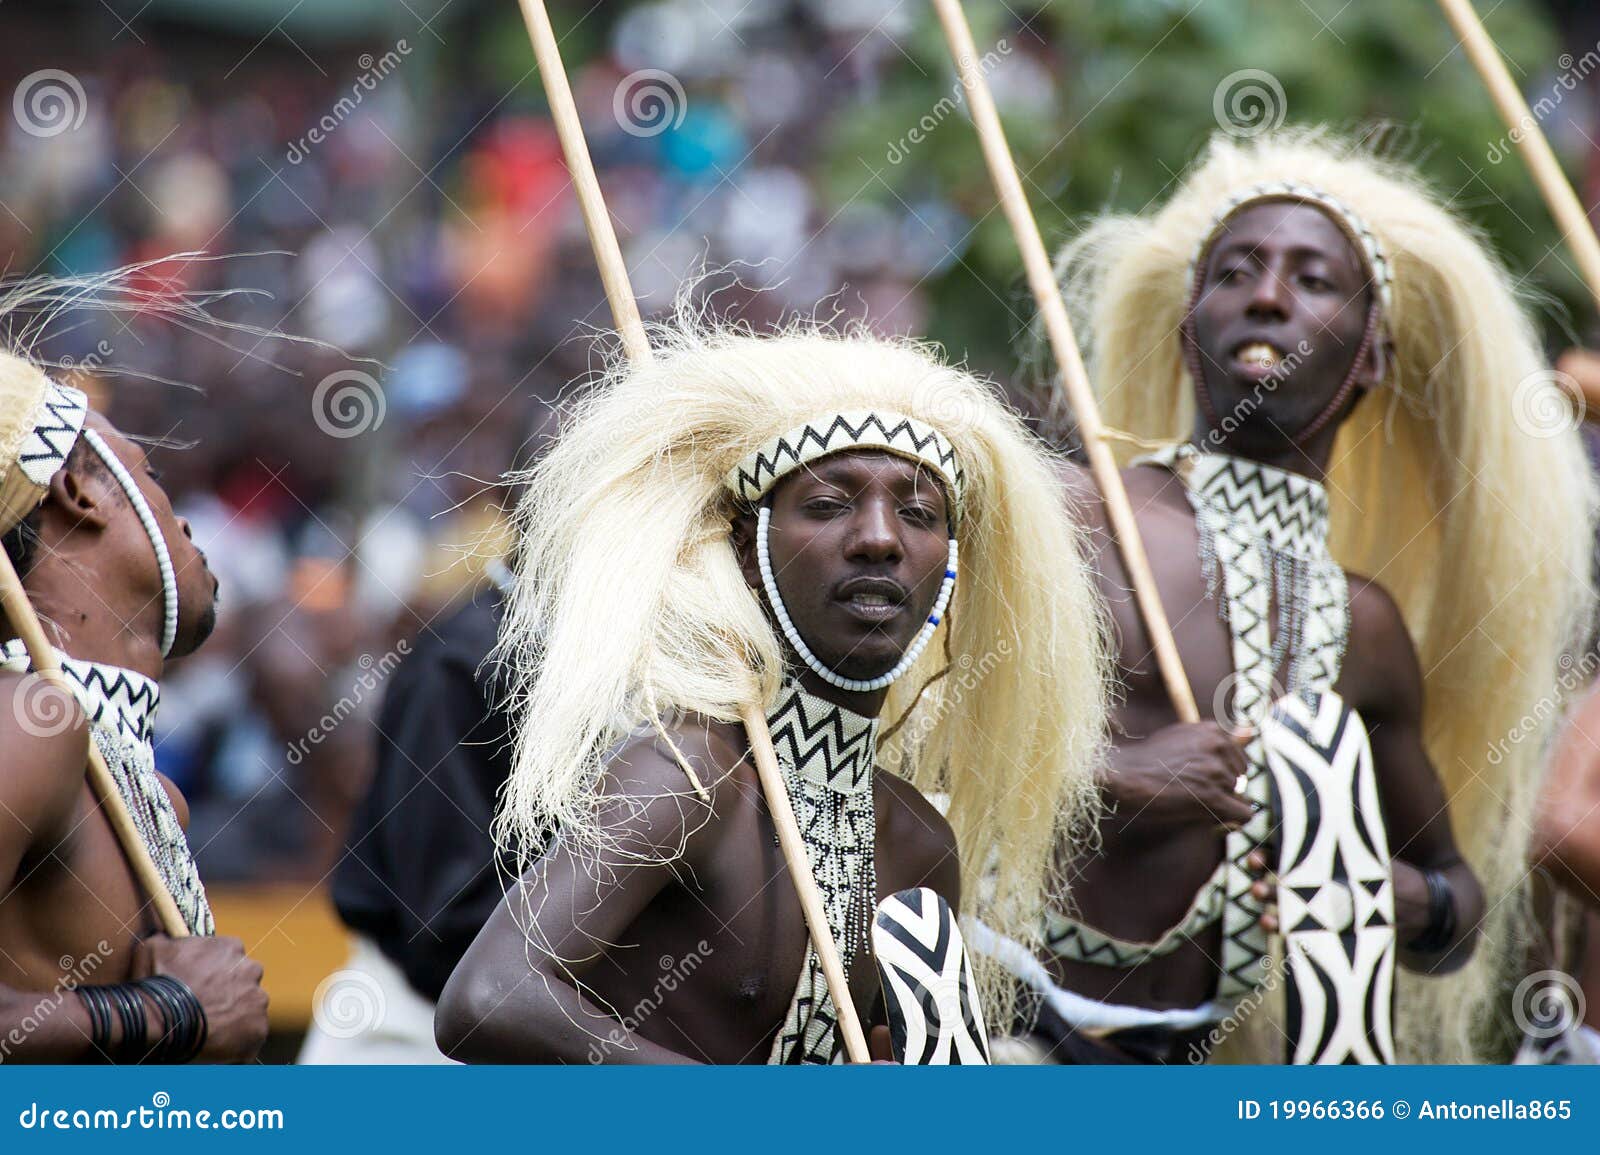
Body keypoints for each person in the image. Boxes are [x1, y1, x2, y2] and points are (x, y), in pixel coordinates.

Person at [1022, 128, 1596, 1063]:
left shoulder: (1362, 625)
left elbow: (1456, 903)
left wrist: (1387, 894)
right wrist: (1115, 778)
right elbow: (921, 761)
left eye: (1314, 280)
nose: (1267, 296)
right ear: (1188, 330)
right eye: (1235, 272)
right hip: (1011, 1036)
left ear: (1372, 356)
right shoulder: (1078, 516)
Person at [435, 321, 1109, 1063]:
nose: (880, 538)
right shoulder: (687, 775)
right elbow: (486, 998)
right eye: (828, 504)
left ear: (948, 563)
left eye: (918, 513)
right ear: (748, 551)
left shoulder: (919, 843)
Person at [0, 346, 269, 1062]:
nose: (186, 524)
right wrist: (164, 1012)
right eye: (151, 475)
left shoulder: (131, 782)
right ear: (77, 492)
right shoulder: (33, 724)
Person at [300, 567, 516, 1064]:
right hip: (414, 1038)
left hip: (491, 1031)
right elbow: (445, 919)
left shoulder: (579, 647)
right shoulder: (466, 658)